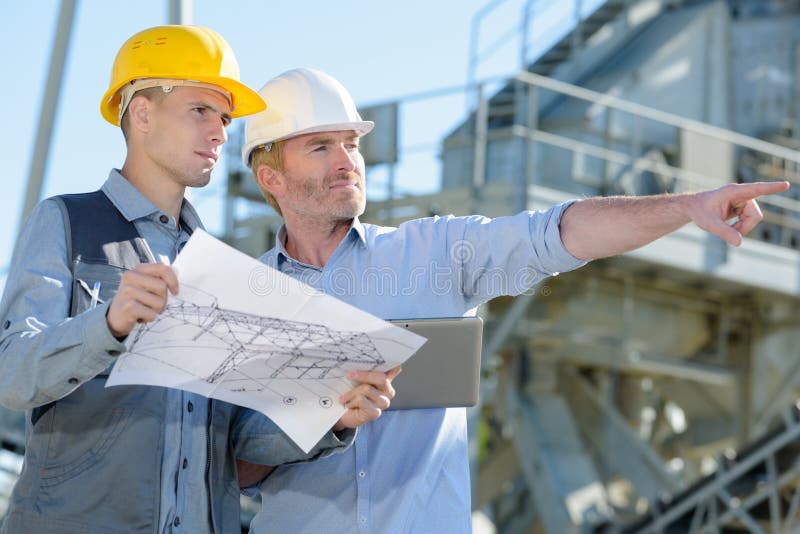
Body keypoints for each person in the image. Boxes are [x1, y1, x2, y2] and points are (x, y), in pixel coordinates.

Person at [239, 67, 790, 533]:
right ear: (272, 177)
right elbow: (231, 467)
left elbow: (558, 233)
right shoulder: (240, 300)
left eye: (352, 144)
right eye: (320, 146)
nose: (347, 161)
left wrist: (686, 207)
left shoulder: (434, 251)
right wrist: (323, 418)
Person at [0, 31, 396, 533]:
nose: (221, 133)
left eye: (225, 118)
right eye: (200, 111)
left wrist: (331, 414)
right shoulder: (66, 222)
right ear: (142, 114)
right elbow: (12, 374)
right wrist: (108, 326)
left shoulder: (219, 263)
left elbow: (232, 439)